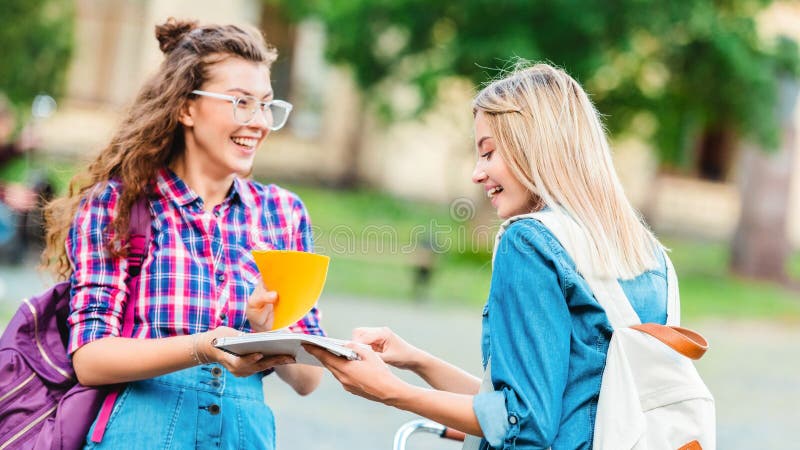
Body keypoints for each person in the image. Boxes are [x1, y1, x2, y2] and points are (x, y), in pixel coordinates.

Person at [306, 62, 670, 449]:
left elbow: (524, 424)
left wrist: (392, 391)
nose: (477, 174)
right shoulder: (648, 256)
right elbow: (538, 405)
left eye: (489, 153)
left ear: (533, 147)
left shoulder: (530, 242)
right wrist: (416, 360)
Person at [42, 18, 323, 449]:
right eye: (240, 102)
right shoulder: (118, 205)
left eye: (266, 104)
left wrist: (267, 327)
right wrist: (207, 346)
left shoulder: (283, 213)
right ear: (186, 108)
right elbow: (91, 359)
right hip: (139, 436)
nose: (259, 121)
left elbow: (308, 379)